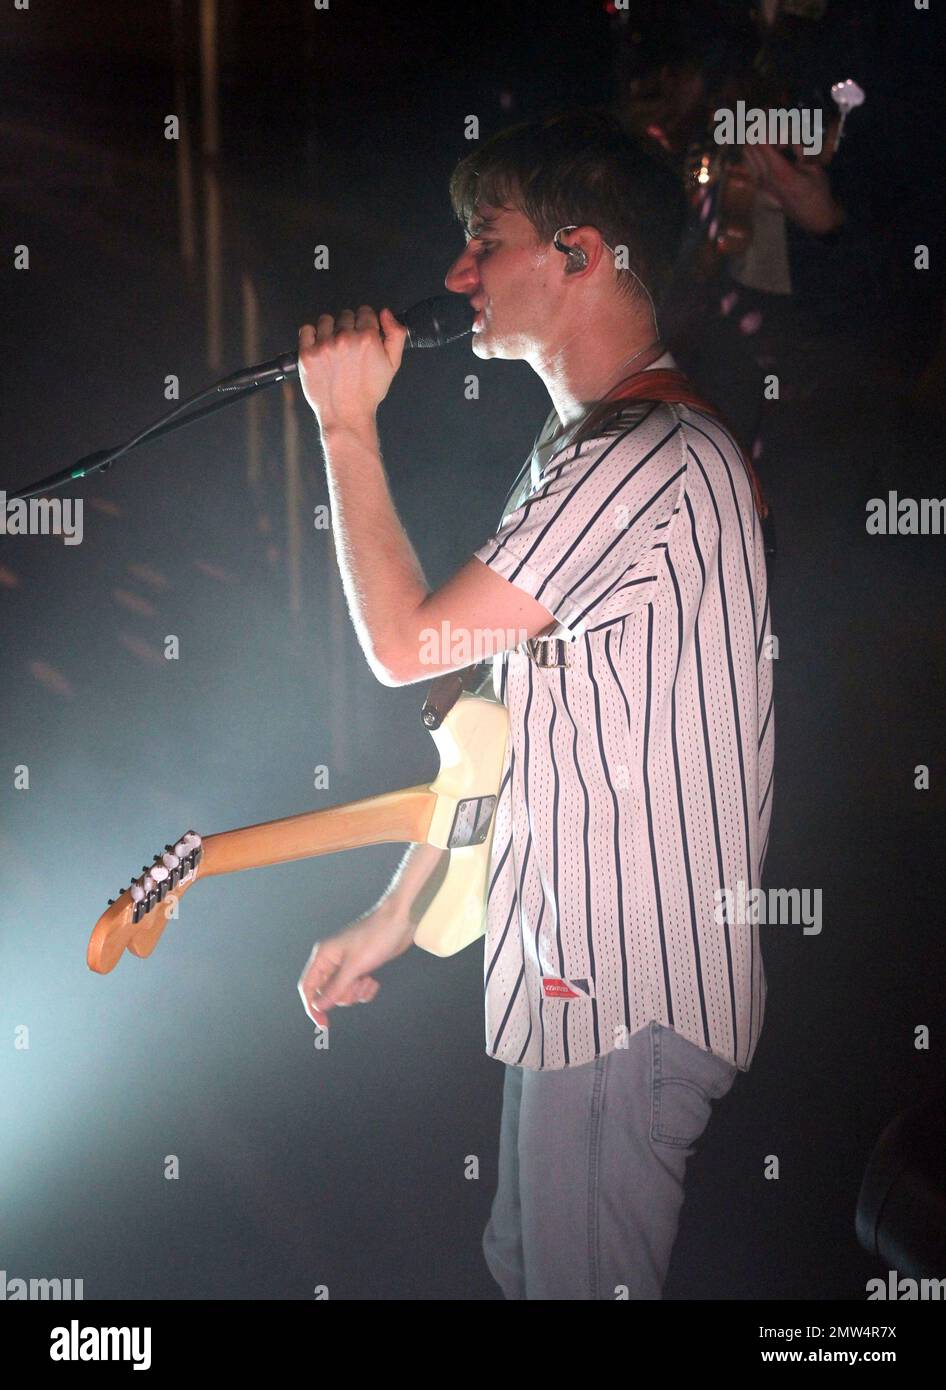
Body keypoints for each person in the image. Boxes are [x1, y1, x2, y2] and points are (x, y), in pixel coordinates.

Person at [295, 108, 774, 1300]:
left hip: (621, 996)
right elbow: (495, 745)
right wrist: (400, 911)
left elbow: (406, 643)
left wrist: (346, 424)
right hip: (577, 988)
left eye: (484, 239)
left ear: (581, 252)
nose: (457, 273)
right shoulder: (582, 454)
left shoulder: (644, 456)